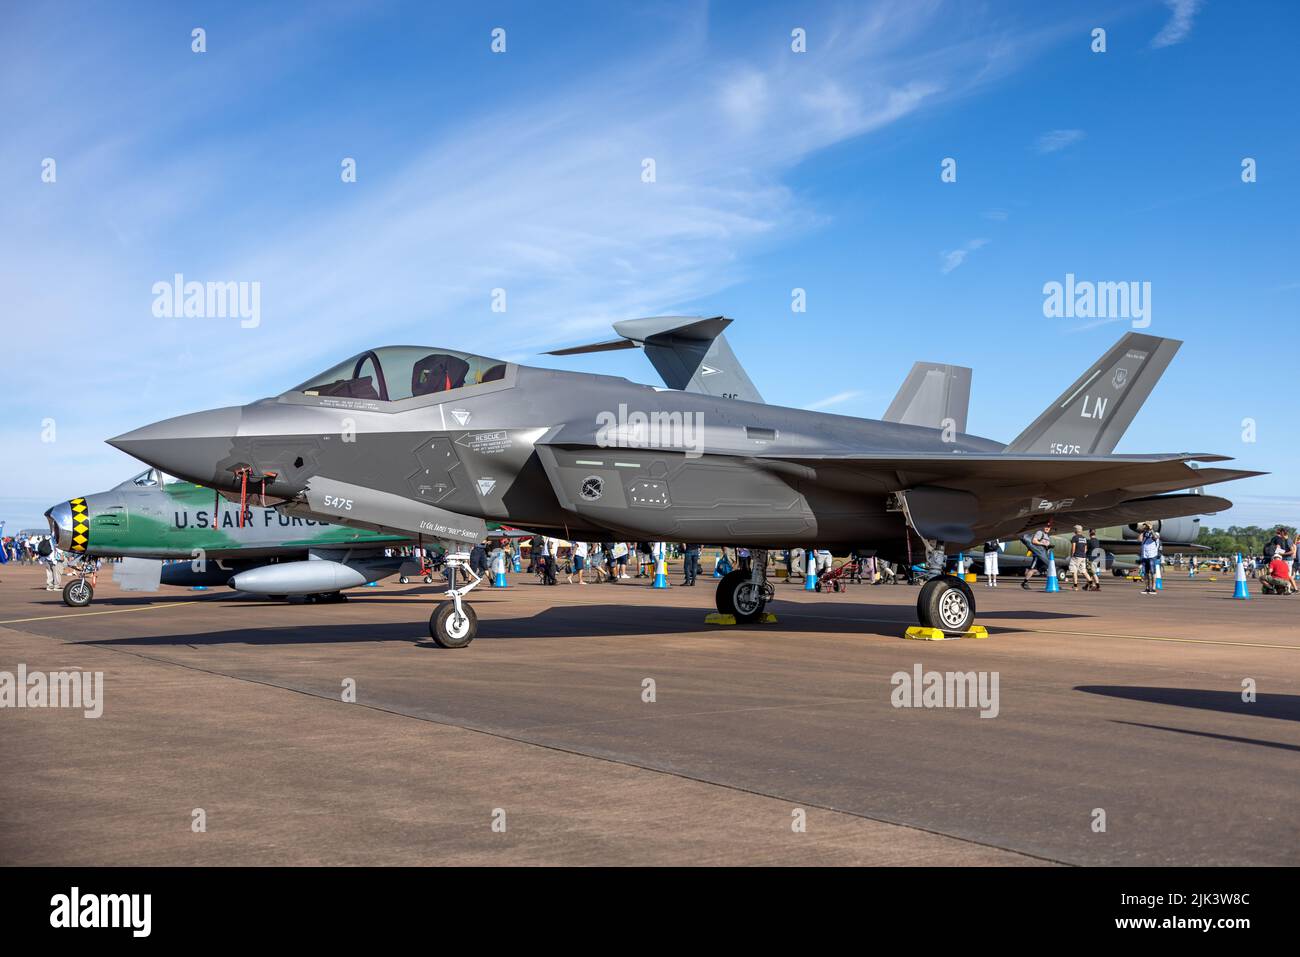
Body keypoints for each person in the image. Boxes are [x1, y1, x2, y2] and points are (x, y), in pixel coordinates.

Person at [1021, 523, 1053, 589]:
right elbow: (1034, 541)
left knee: (1044, 568)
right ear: (1043, 527)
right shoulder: (1040, 533)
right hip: (1038, 556)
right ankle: (1024, 582)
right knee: (1033, 570)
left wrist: (1048, 547)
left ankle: (1052, 582)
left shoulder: (1047, 535)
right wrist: (1043, 544)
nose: (1047, 528)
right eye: (1046, 526)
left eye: (1049, 527)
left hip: (1043, 556)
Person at [1138, 522, 1161, 595]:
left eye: (1146, 526)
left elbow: (1155, 537)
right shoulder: (1144, 533)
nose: (1145, 527)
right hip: (1144, 555)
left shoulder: (1156, 533)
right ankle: (1147, 588)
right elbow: (1139, 539)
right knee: (1145, 573)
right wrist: (1142, 531)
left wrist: (1151, 530)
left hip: (1152, 555)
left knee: (1152, 572)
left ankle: (1153, 588)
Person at [1067, 525, 1089, 591]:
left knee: (1074, 571)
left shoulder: (1074, 537)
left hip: (1076, 556)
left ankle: (1075, 586)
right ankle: (1091, 582)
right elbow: (1085, 549)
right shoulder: (1084, 538)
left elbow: (1073, 547)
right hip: (1083, 556)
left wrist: (1072, 555)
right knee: (1083, 571)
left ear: (1075, 530)